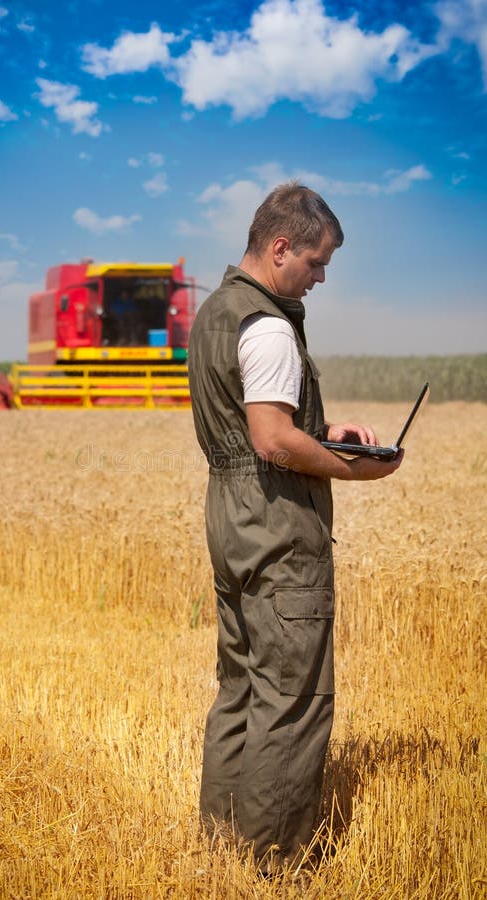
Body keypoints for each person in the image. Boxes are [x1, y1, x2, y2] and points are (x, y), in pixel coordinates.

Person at [188, 182, 403, 872]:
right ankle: (273, 863)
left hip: (229, 515)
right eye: (315, 263)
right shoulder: (271, 324)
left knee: (243, 685)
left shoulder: (216, 312)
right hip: (278, 523)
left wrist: (324, 429)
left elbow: (253, 422)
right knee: (294, 696)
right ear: (280, 248)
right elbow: (275, 440)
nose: (319, 278)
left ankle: (221, 844)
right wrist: (350, 468)